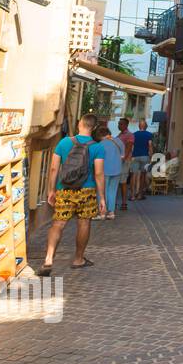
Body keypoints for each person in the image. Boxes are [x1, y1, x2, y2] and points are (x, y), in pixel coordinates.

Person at [41, 113, 107, 275]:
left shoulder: (64, 142)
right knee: (84, 223)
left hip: (65, 189)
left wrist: (51, 190)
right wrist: (102, 197)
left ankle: (48, 259)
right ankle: (78, 259)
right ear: (94, 128)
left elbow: (54, 168)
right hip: (87, 190)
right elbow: (99, 174)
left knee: (58, 223)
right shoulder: (98, 147)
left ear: (80, 124)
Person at [94, 123, 124, 220]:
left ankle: (102, 213)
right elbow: (122, 156)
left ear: (100, 135)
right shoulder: (119, 141)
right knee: (113, 191)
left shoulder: (100, 144)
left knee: (102, 191)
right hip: (117, 170)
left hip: (104, 171)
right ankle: (111, 212)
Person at [130, 119, 154, 199]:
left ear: (139, 126)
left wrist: (131, 155)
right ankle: (140, 195)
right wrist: (151, 156)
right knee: (143, 175)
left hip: (135, 156)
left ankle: (132, 195)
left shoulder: (134, 134)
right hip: (145, 156)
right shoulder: (149, 134)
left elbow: (132, 146)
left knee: (133, 175)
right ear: (146, 126)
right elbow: (150, 145)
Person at [115, 117, 134, 209]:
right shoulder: (119, 135)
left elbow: (129, 147)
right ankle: (114, 202)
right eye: (119, 124)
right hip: (118, 161)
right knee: (117, 182)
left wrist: (123, 158)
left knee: (123, 182)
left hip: (124, 161)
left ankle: (124, 203)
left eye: (121, 124)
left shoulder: (129, 135)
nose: (119, 125)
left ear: (126, 125)